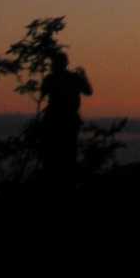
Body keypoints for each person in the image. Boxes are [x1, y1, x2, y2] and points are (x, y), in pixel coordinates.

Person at [39, 48, 92, 184]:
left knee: (55, 156)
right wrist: (83, 76)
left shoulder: (52, 78)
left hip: (56, 121)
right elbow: (88, 91)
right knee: (66, 155)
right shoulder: (72, 78)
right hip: (64, 121)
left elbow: (43, 92)